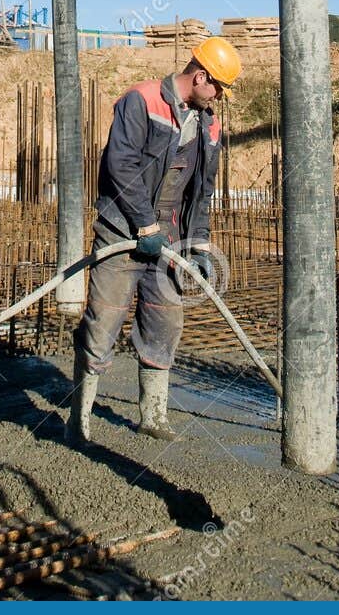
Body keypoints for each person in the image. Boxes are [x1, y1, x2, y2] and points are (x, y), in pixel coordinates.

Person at [66, 36, 242, 447]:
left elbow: (202, 189)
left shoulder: (209, 124)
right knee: (103, 321)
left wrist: (197, 246)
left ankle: (153, 416)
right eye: (217, 87)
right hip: (123, 231)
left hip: (170, 240)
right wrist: (144, 226)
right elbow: (120, 165)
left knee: (165, 323)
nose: (219, 97)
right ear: (200, 77)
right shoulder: (141, 101)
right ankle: (79, 421)